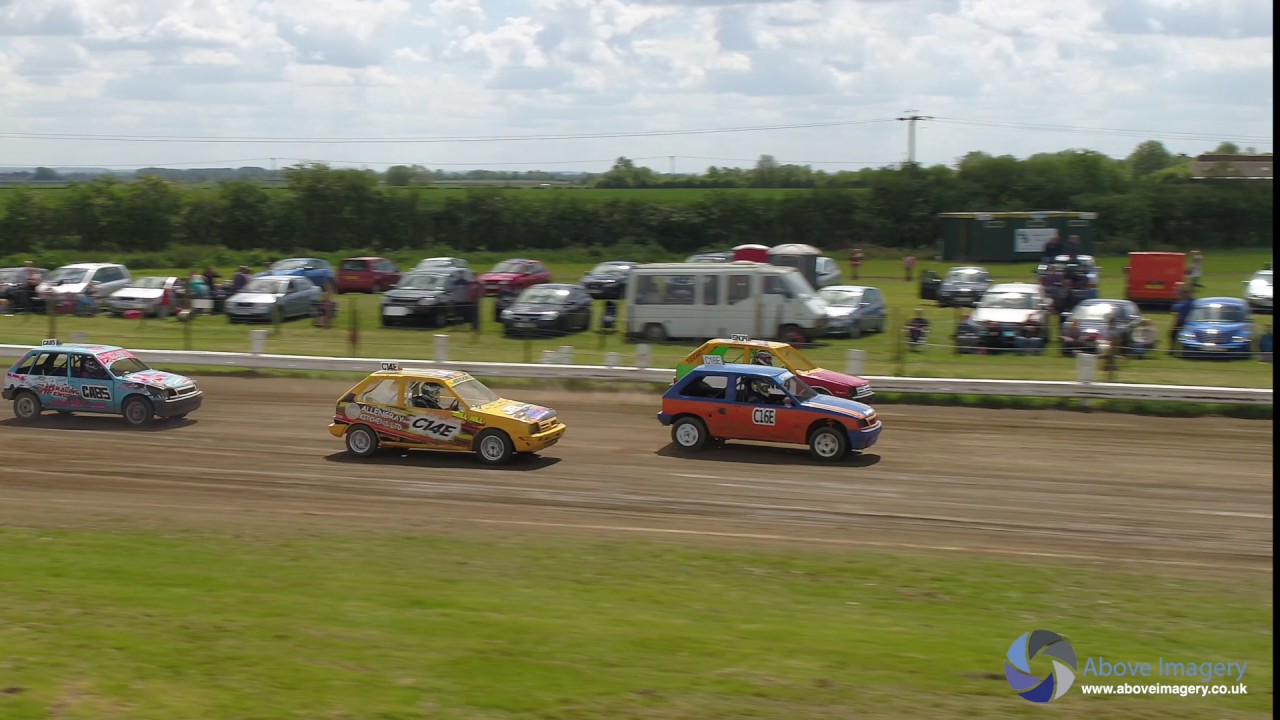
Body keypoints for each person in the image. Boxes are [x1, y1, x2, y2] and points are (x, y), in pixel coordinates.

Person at [1170, 288, 1193, 356]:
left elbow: (1175, 309)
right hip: (1183, 322)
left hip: (1186, 323)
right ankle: (1173, 349)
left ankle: (1175, 350)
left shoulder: (1184, 302)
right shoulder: (1192, 301)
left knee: (1176, 335)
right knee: (1173, 335)